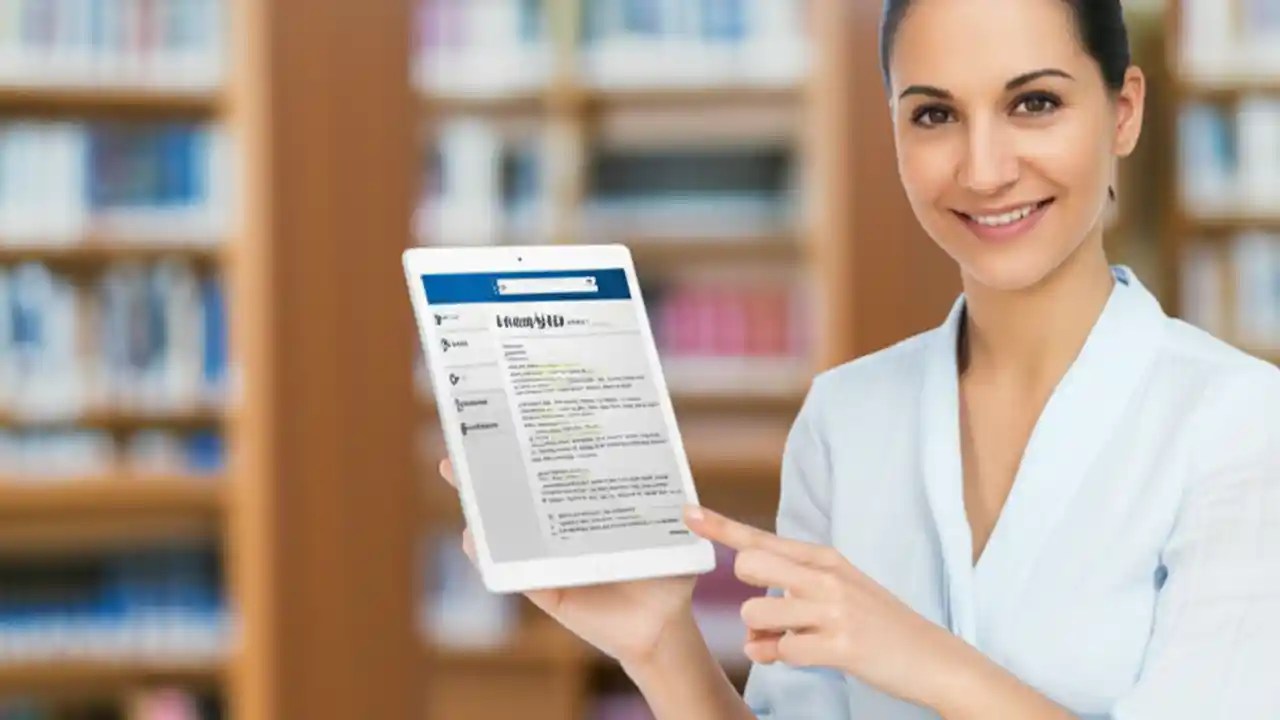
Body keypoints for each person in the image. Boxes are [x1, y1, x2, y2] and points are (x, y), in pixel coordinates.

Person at [437, 0, 1280, 717]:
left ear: (1123, 112)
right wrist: (659, 644)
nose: (985, 169)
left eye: (1034, 104)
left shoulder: (1240, 424)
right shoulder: (846, 418)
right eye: (935, 115)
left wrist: (912, 654)